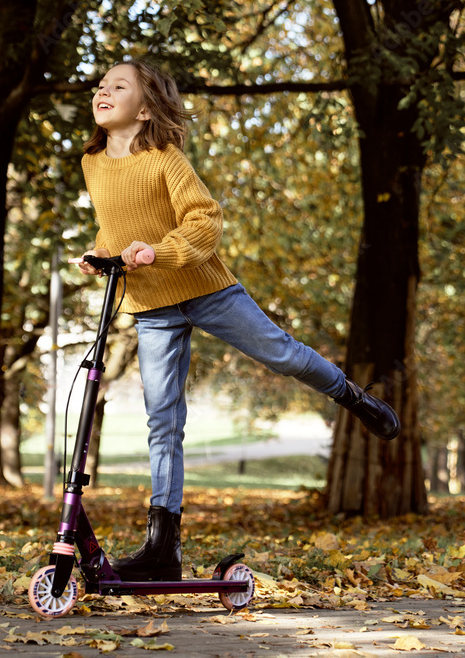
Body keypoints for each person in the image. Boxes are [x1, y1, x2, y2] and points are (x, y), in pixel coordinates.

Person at [73, 59, 400, 583]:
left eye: (118, 85)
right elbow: (114, 229)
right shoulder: (92, 164)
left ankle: (352, 396)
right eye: (100, 85)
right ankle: (163, 547)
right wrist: (101, 255)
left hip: (206, 288)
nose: (102, 91)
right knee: (164, 420)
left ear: (147, 105)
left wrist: (160, 252)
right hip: (151, 306)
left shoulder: (165, 158)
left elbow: (204, 219)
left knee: (284, 355)